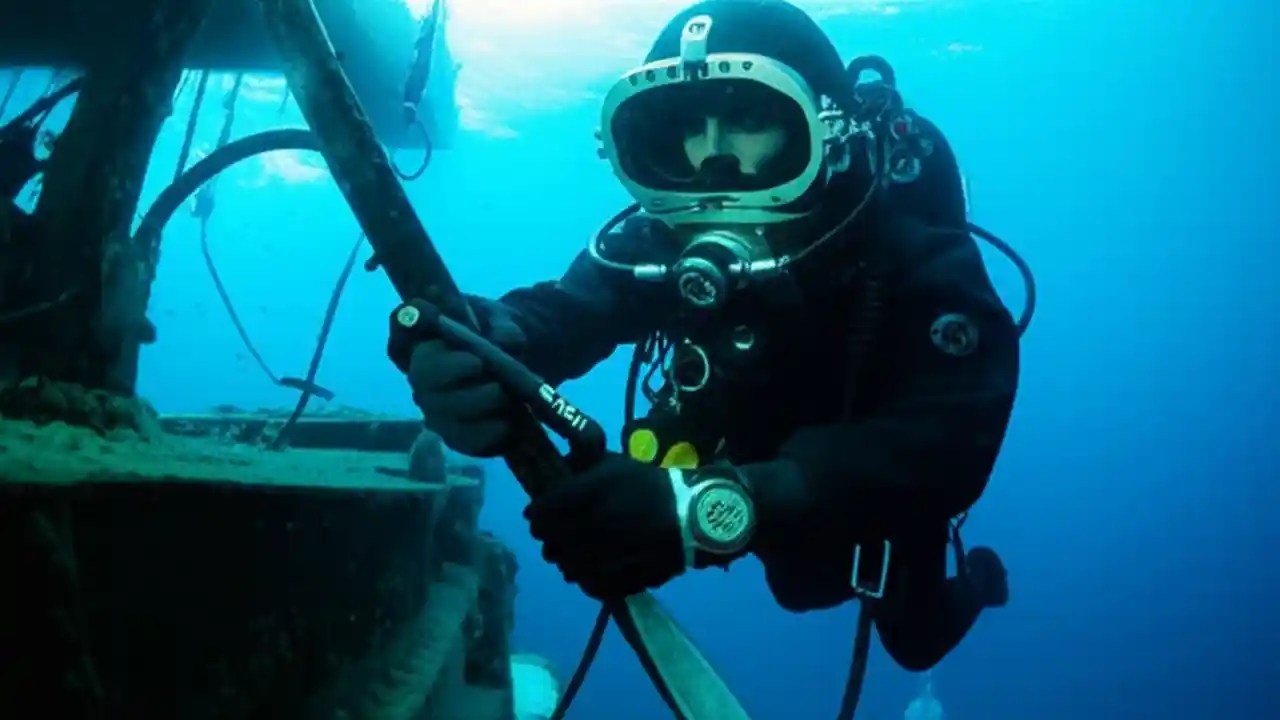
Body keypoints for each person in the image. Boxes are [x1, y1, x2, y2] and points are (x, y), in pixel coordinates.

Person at [390, 0, 1020, 674]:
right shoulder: (662, 237)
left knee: (912, 640)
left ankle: (979, 585)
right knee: (797, 586)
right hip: (751, 469)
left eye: (748, 120)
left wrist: (704, 509)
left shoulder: (907, 249)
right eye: (689, 126)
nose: (712, 159)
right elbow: (565, 313)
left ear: (824, 133)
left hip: (869, 476)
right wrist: (477, 339)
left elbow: (954, 434)